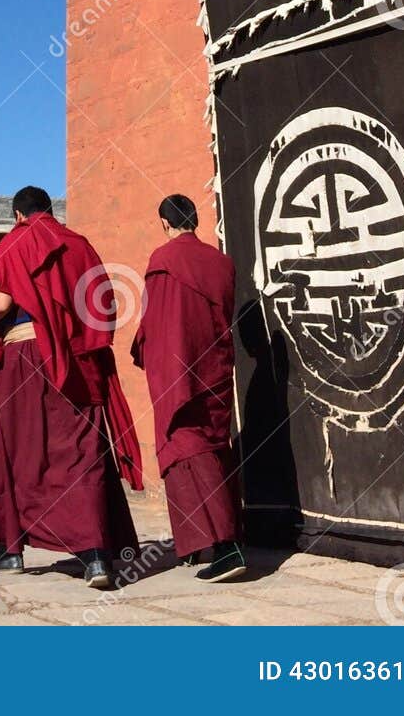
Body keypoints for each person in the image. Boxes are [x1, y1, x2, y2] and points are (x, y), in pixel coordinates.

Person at [0, 186, 143, 589]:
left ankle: (9, 550)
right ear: (50, 211)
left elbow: (2, 304)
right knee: (81, 452)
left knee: (8, 449)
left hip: (25, 361)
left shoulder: (16, 241)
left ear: (18, 215)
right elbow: (100, 307)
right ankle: (96, 558)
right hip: (76, 364)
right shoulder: (80, 246)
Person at [131, 193, 246, 582]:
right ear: (195, 221)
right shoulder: (222, 263)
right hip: (215, 368)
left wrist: (150, 352)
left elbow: (158, 321)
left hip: (180, 373)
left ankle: (228, 547)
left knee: (188, 447)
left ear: (165, 223)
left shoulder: (163, 261)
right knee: (214, 446)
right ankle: (199, 544)